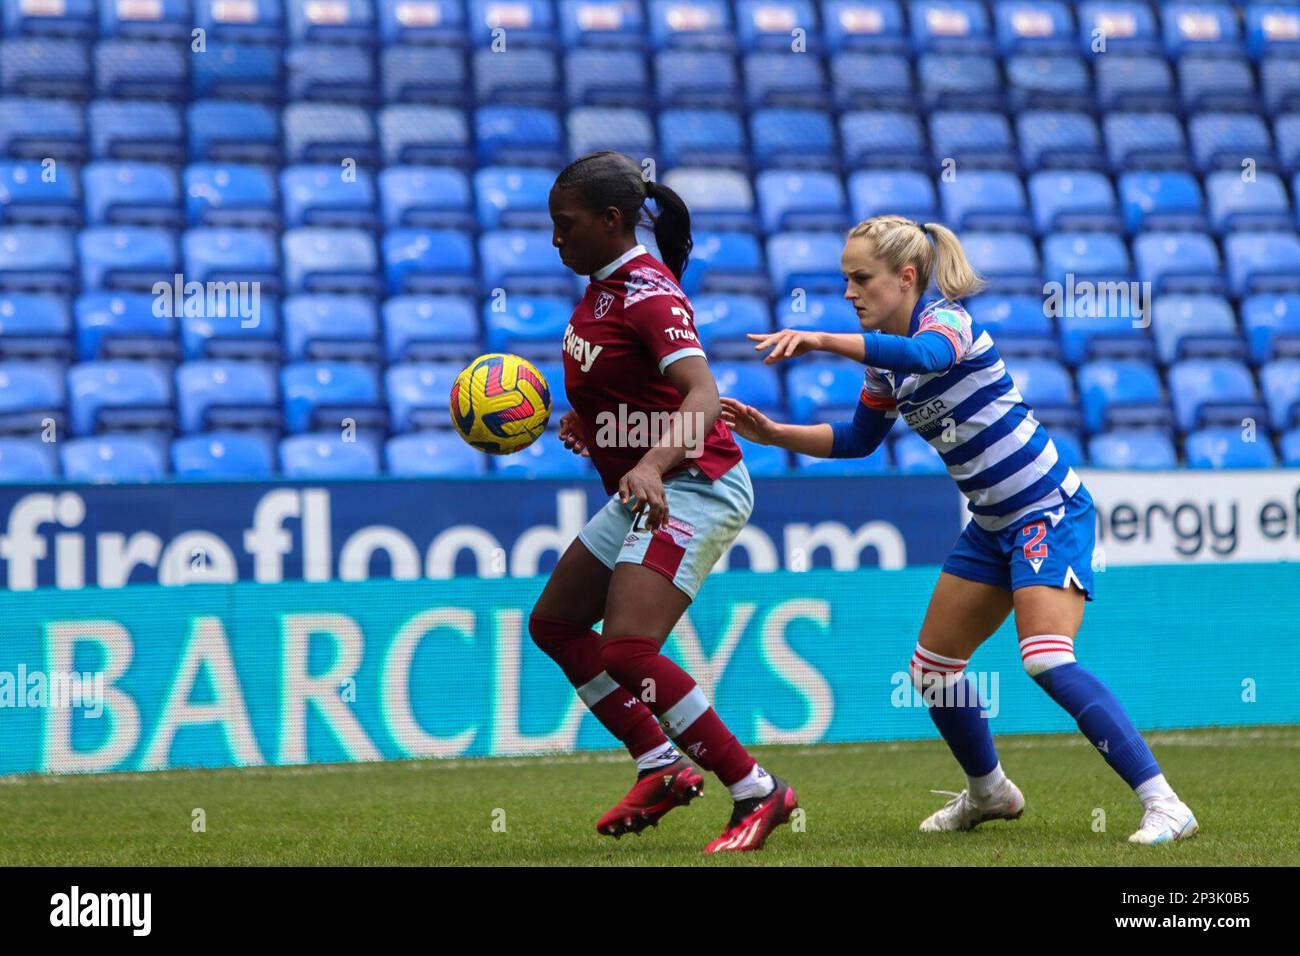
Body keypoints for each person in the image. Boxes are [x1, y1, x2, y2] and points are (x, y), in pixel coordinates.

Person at [721, 214, 1198, 844]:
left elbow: (929, 355)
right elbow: (860, 440)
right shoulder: (884, 369)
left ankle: (1165, 803)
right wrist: (775, 434)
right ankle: (990, 793)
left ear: (907, 277)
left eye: (861, 278)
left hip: (1046, 509)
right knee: (933, 668)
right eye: (845, 280)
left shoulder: (947, 322)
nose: (848, 292)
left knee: (1046, 658)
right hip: (992, 524)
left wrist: (822, 340)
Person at [529, 150, 798, 853]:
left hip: (694, 483)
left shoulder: (648, 291)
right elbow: (635, 385)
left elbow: (702, 395)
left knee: (626, 647)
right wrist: (593, 422)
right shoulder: (600, 288)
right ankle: (660, 764)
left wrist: (648, 461)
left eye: (566, 224)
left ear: (612, 220)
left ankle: (757, 790)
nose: (556, 237)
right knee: (556, 623)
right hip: (647, 486)